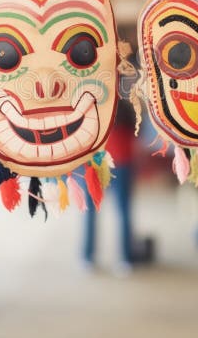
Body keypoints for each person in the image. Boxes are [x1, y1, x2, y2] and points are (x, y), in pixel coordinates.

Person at [82, 100, 136, 274]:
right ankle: (125, 259)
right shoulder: (128, 106)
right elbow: (136, 132)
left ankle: (87, 258)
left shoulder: (92, 104)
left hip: (97, 161)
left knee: (91, 212)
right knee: (123, 211)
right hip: (120, 160)